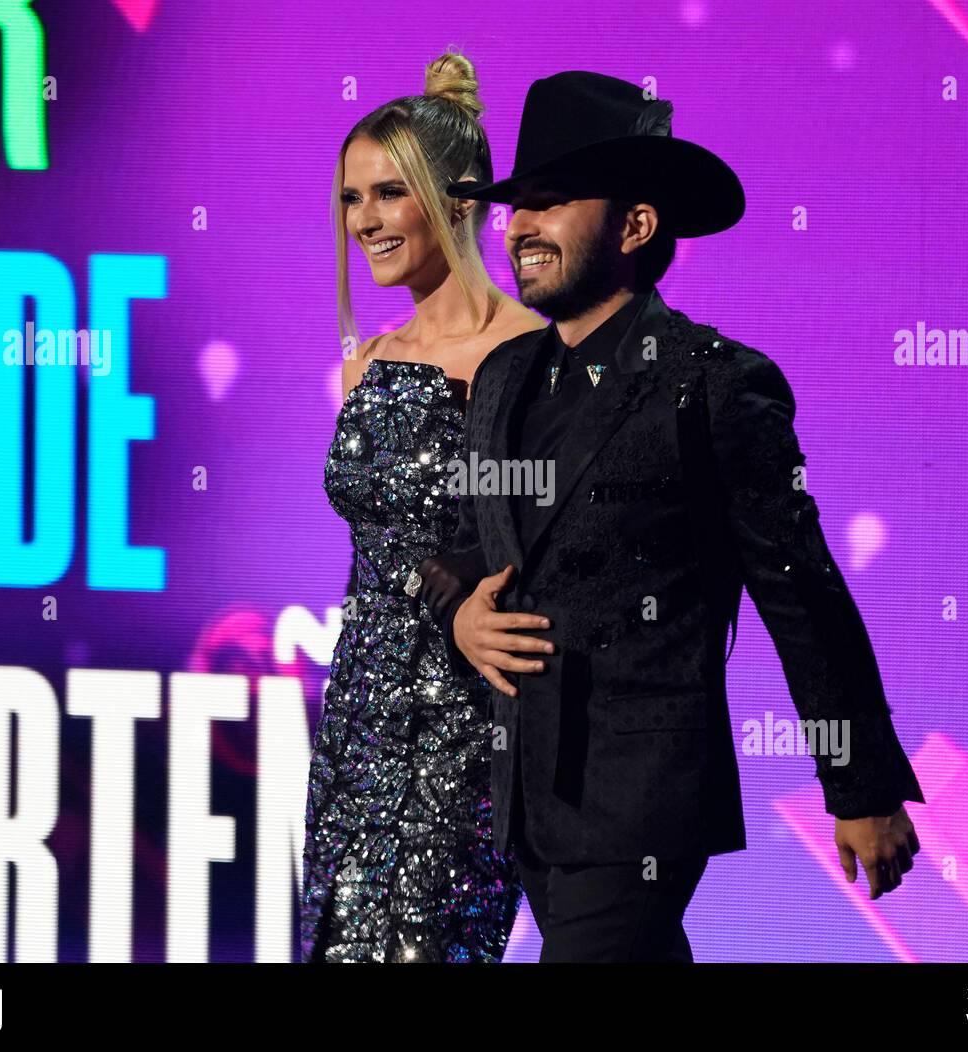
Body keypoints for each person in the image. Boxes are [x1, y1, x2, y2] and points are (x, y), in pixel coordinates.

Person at [416, 71, 926, 963]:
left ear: (636, 226)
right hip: (525, 794)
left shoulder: (716, 384)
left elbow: (802, 597)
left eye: (551, 201)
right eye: (516, 206)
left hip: (641, 800)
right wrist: (458, 615)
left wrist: (861, 787)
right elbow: (463, 548)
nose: (520, 227)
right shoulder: (502, 377)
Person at [299, 50, 543, 963]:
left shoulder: (531, 356)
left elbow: (549, 539)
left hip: (464, 723)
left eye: (389, 194)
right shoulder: (366, 362)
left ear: (461, 199)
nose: (364, 220)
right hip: (359, 717)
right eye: (351, 198)